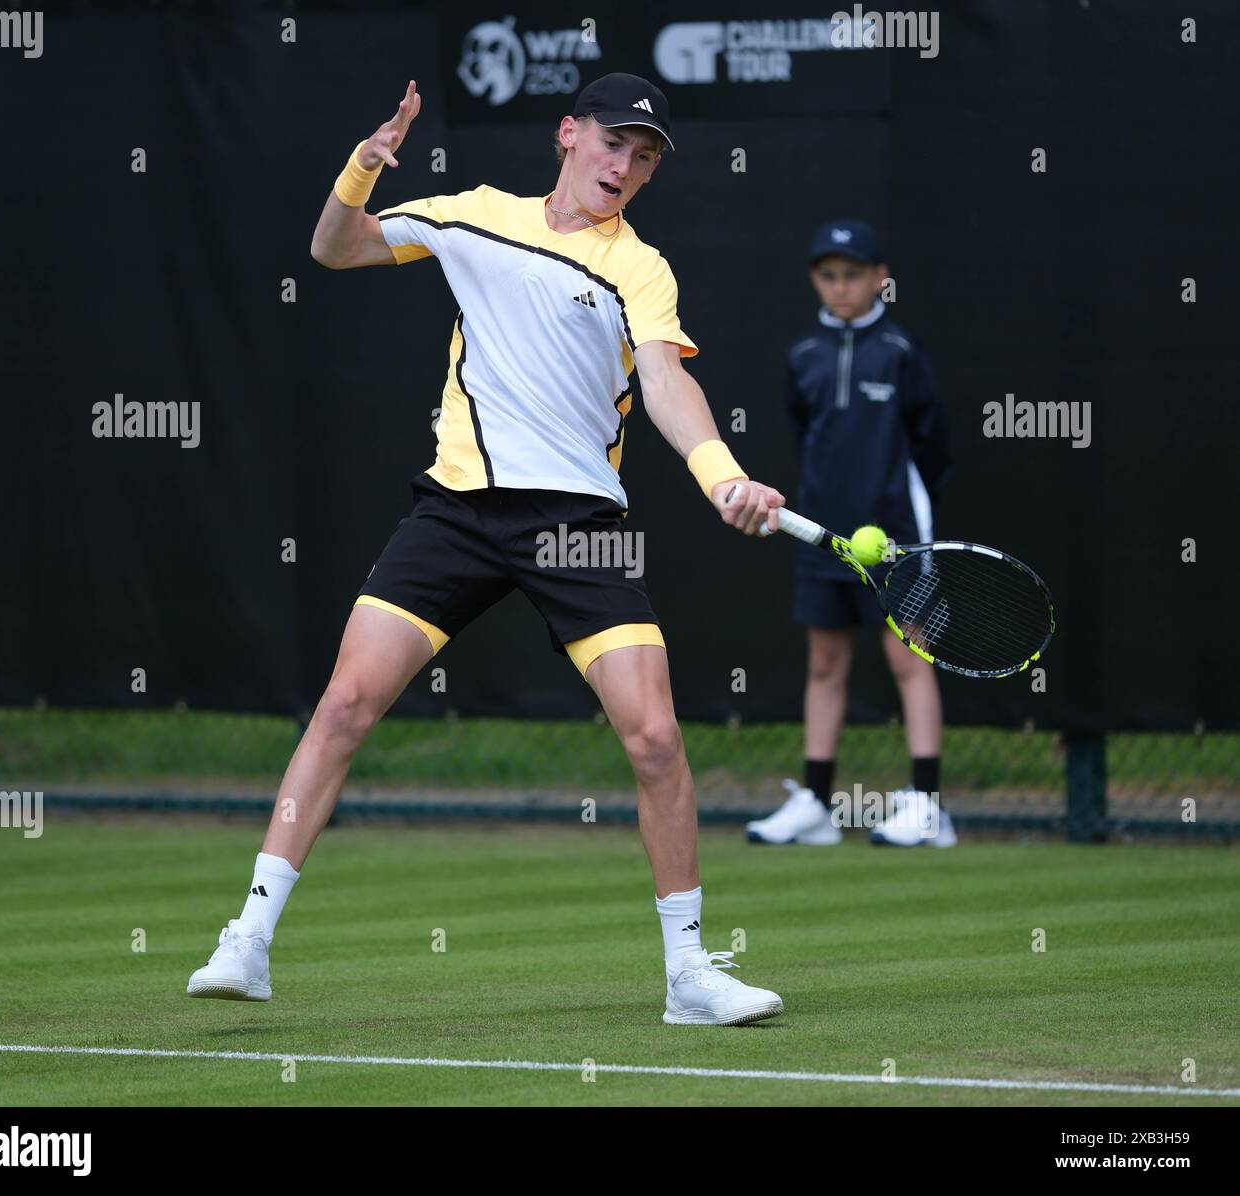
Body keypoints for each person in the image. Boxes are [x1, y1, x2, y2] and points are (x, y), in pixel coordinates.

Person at [186, 74, 787, 1025]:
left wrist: (720, 476)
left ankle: (688, 978)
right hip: (457, 511)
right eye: (612, 145)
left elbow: (669, 386)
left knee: (657, 736)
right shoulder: (473, 216)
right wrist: (361, 171)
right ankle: (247, 940)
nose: (624, 167)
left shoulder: (641, 266)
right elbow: (335, 249)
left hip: (579, 524)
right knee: (344, 704)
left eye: (644, 157)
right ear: (567, 135)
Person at [745, 220, 955, 848]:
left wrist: (900, 515)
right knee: (825, 663)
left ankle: (928, 807)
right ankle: (815, 803)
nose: (841, 287)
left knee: (908, 657)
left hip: (895, 539)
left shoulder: (901, 351)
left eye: (854, 275)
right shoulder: (802, 356)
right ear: (817, 280)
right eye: (829, 276)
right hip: (820, 534)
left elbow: (933, 448)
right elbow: (804, 432)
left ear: (879, 280)